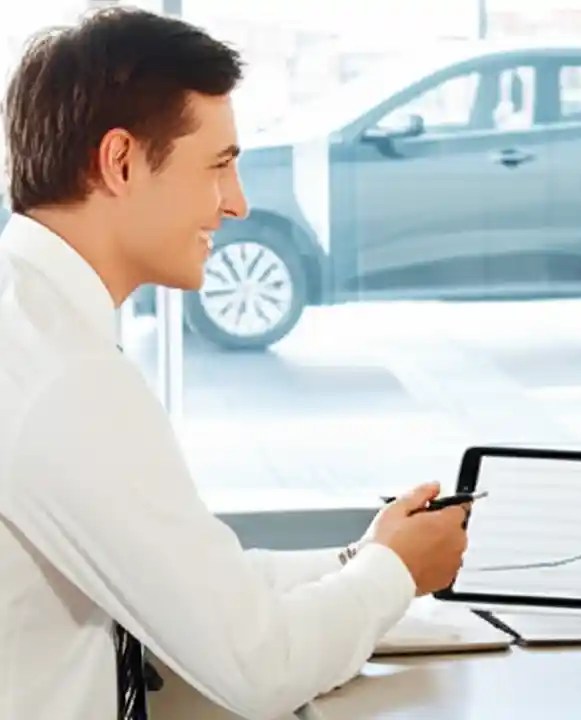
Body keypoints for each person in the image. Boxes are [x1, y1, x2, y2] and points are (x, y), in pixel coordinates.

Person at [0, 9, 469, 719]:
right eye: (219, 165)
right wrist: (395, 572)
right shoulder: (67, 377)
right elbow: (259, 669)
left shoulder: (30, 322)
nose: (238, 204)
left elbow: (187, 580)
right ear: (120, 162)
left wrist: (363, 556)